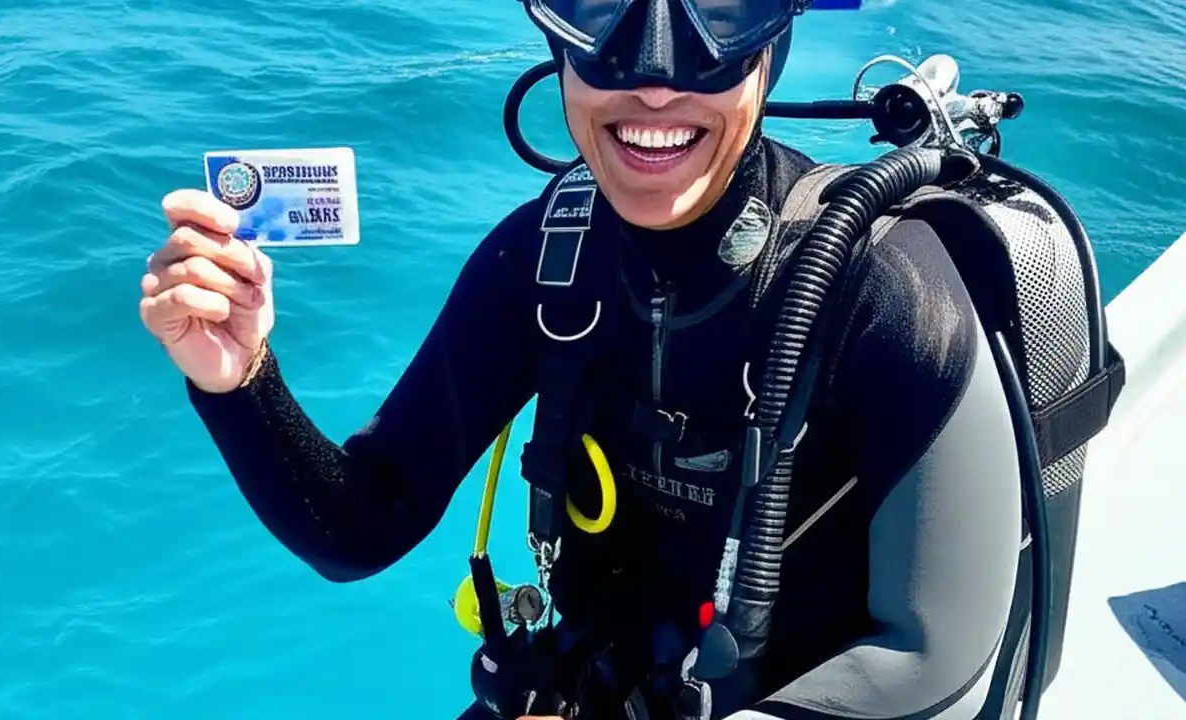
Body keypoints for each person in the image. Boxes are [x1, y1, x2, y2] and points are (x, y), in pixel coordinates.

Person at [139, 2, 1034, 718]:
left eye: (719, 10)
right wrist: (238, 379)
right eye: (600, 5)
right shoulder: (544, 258)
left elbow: (936, 662)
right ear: (552, 38)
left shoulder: (884, 289)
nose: (652, 78)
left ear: (774, 45)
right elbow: (360, 529)